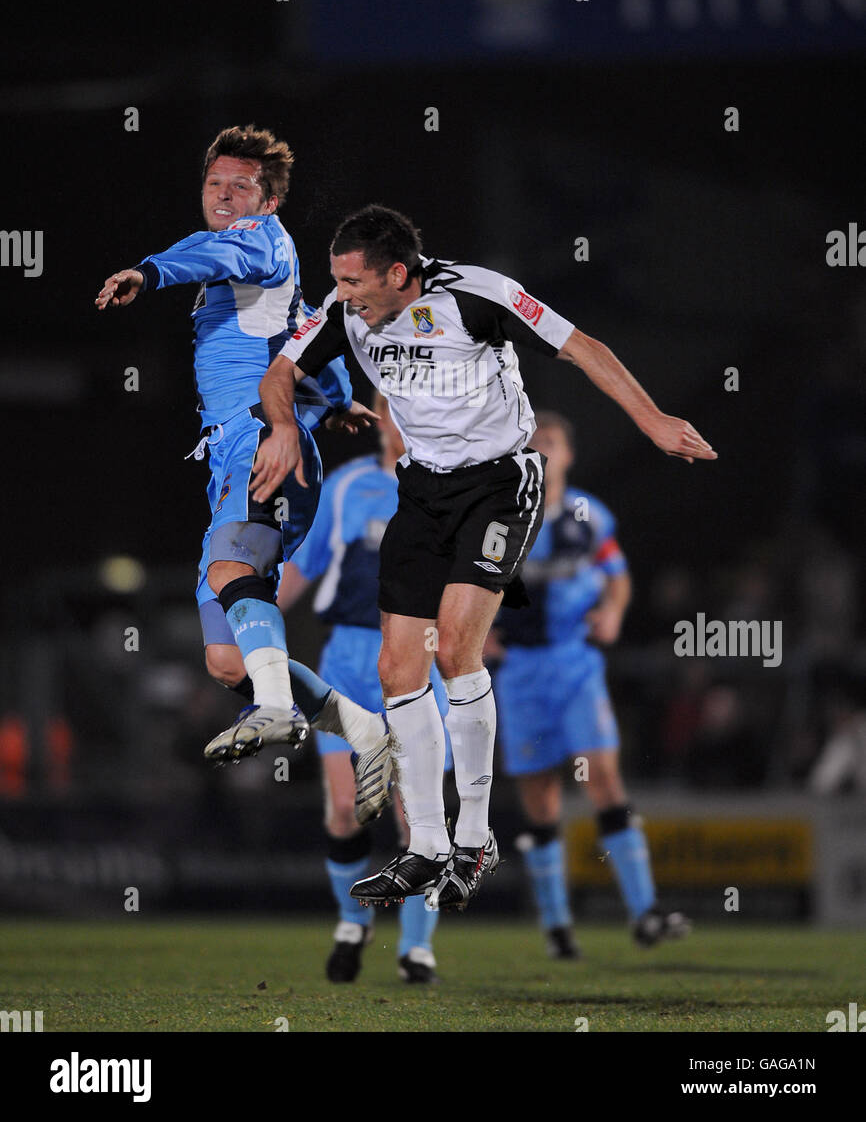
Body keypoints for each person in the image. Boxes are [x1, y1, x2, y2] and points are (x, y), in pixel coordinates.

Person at [251, 203, 717, 912]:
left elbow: (582, 344)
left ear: (397, 273)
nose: (341, 294)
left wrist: (652, 420)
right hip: (423, 491)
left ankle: (474, 835)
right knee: (394, 667)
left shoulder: (478, 295)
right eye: (336, 281)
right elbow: (279, 372)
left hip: (500, 486)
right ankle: (428, 845)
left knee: (453, 654)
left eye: (352, 281)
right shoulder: (343, 313)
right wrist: (284, 428)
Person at [94, 127, 390, 821]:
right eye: (214, 184)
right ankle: (363, 729)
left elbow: (215, 252)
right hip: (232, 453)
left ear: (270, 199)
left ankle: (280, 710)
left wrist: (149, 271)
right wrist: (339, 394)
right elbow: (308, 323)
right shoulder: (266, 269)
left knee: (233, 573)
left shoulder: (256, 239)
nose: (224, 197)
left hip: (262, 443)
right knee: (227, 663)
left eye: (241, 187)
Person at [488, 410, 690, 957]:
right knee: (540, 797)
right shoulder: (499, 517)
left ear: (569, 455)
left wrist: (613, 612)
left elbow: (617, 580)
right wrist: (475, 635)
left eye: (552, 440)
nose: (544, 448)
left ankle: (645, 911)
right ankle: (556, 926)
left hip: (575, 663)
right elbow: (467, 586)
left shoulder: (588, 516)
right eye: (534, 441)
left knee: (602, 776)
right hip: (522, 671)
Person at [278, 393, 448, 983]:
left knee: (415, 813)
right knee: (346, 809)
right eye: (394, 406)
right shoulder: (349, 485)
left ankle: (417, 949)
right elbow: (305, 561)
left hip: (419, 657)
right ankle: (354, 922)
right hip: (350, 659)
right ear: (379, 418)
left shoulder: (452, 485)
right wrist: (254, 631)